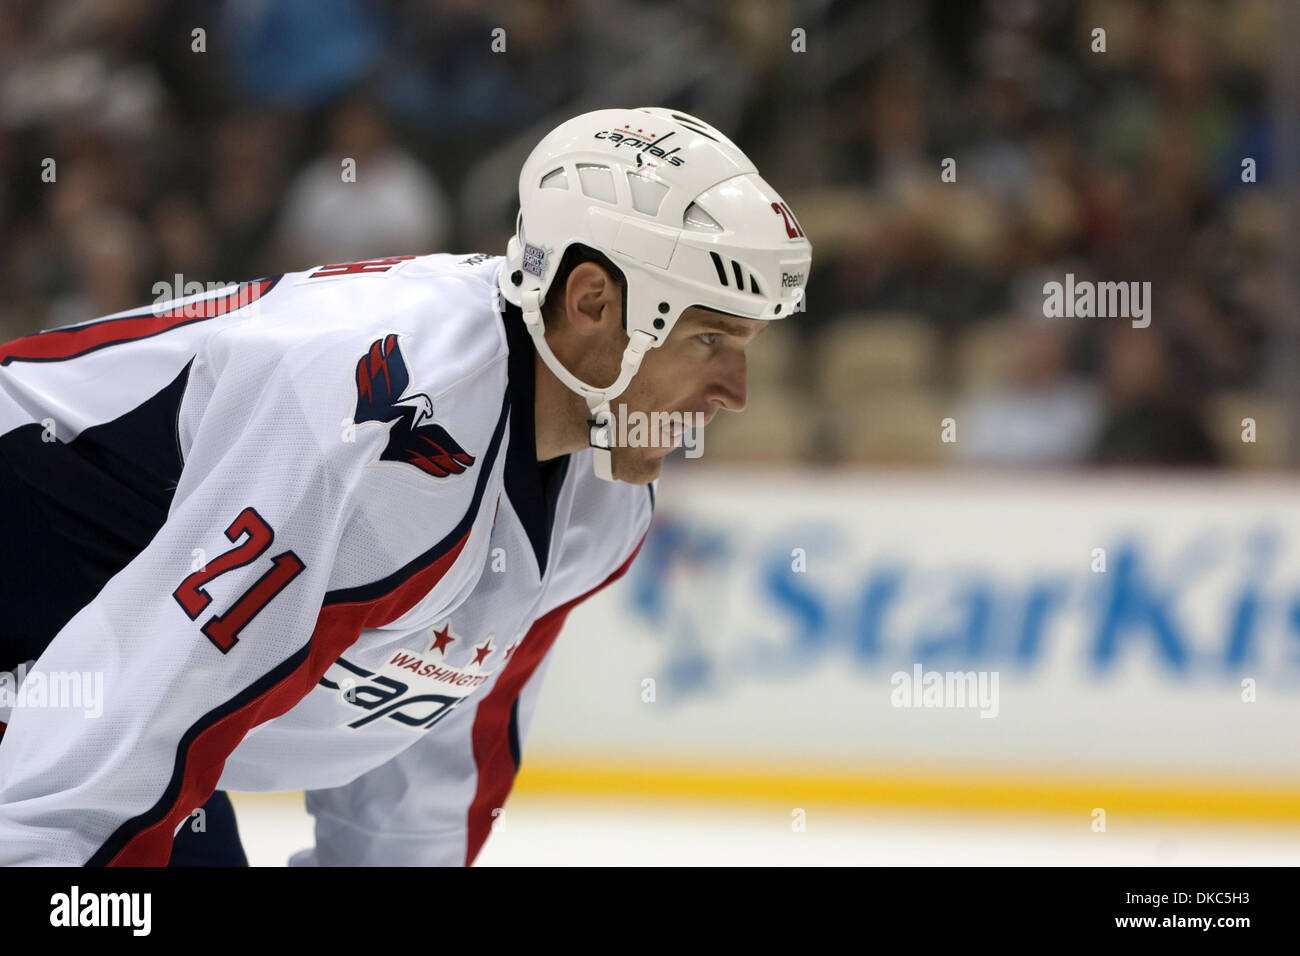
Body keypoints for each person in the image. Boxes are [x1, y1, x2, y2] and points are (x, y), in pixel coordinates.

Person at [0, 107, 812, 865]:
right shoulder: (373, 423)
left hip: (88, 683)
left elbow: (430, 769)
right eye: (711, 338)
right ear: (592, 301)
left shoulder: (601, 502)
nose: (736, 391)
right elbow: (85, 776)